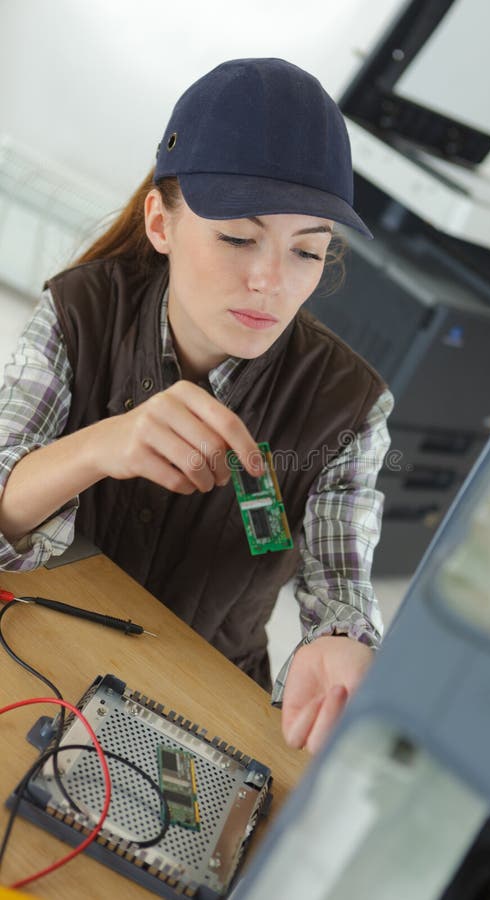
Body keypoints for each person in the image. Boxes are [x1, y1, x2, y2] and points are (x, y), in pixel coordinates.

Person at [0, 58, 393, 755]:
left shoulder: (348, 408)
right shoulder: (80, 310)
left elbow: (344, 586)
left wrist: (339, 643)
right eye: (239, 238)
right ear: (161, 222)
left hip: (192, 708)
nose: (270, 280)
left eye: (307, 252)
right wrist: (98, 447)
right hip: (31, 650)